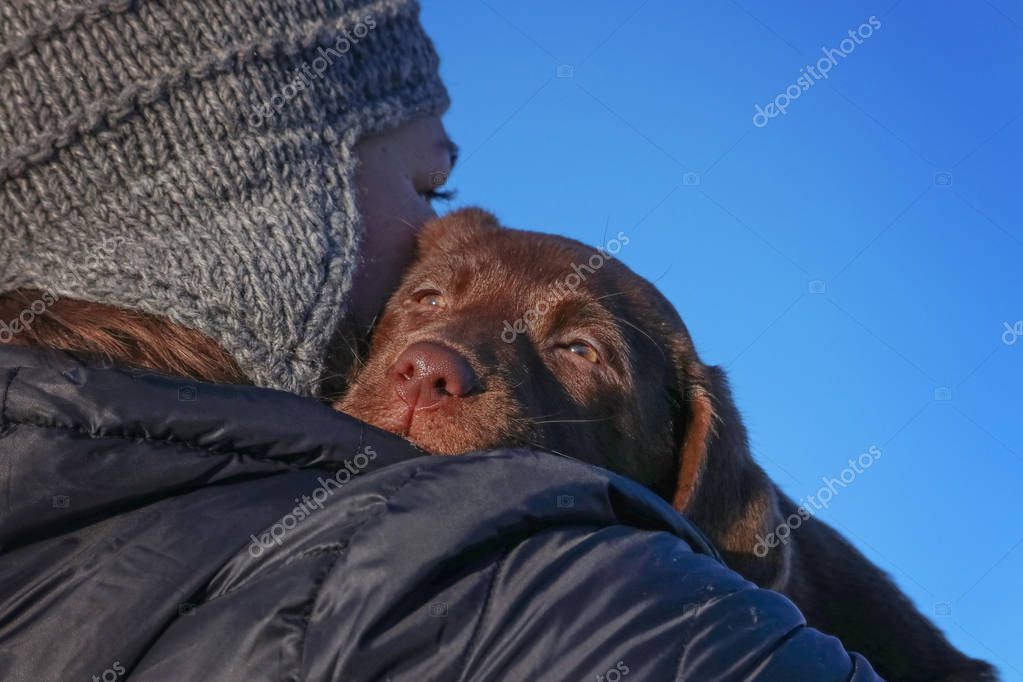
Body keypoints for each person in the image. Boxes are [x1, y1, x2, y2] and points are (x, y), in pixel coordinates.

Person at [0, 1, 882, 680]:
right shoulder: (565, 597)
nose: (435, 353)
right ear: (258, 201)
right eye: (430, 187)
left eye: (578, 350)